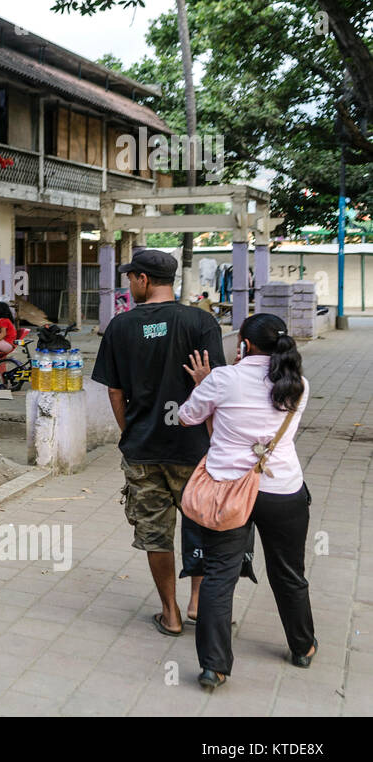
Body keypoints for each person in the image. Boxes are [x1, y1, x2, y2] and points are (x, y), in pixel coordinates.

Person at [91, 249, 226, 637]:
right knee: (199, 524)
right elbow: (215, 387)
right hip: (194, 447)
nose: (129, 284)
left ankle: (170, 613)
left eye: (131, 277)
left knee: (154, 532)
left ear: (143, 280)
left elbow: (115, 393)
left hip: (144, 449)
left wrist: (129, 432)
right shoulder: (201, 322)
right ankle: (198, 602)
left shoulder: (120, 327)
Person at [179, 313, 314, 691]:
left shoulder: (224, 378)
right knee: (288, 572)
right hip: (282, 490)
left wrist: (205, 385)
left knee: (219, 576)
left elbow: (189, 417)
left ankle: (214, 667)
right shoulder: (297, 384)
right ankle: (303, 646)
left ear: (244, 344)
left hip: (227, 491)